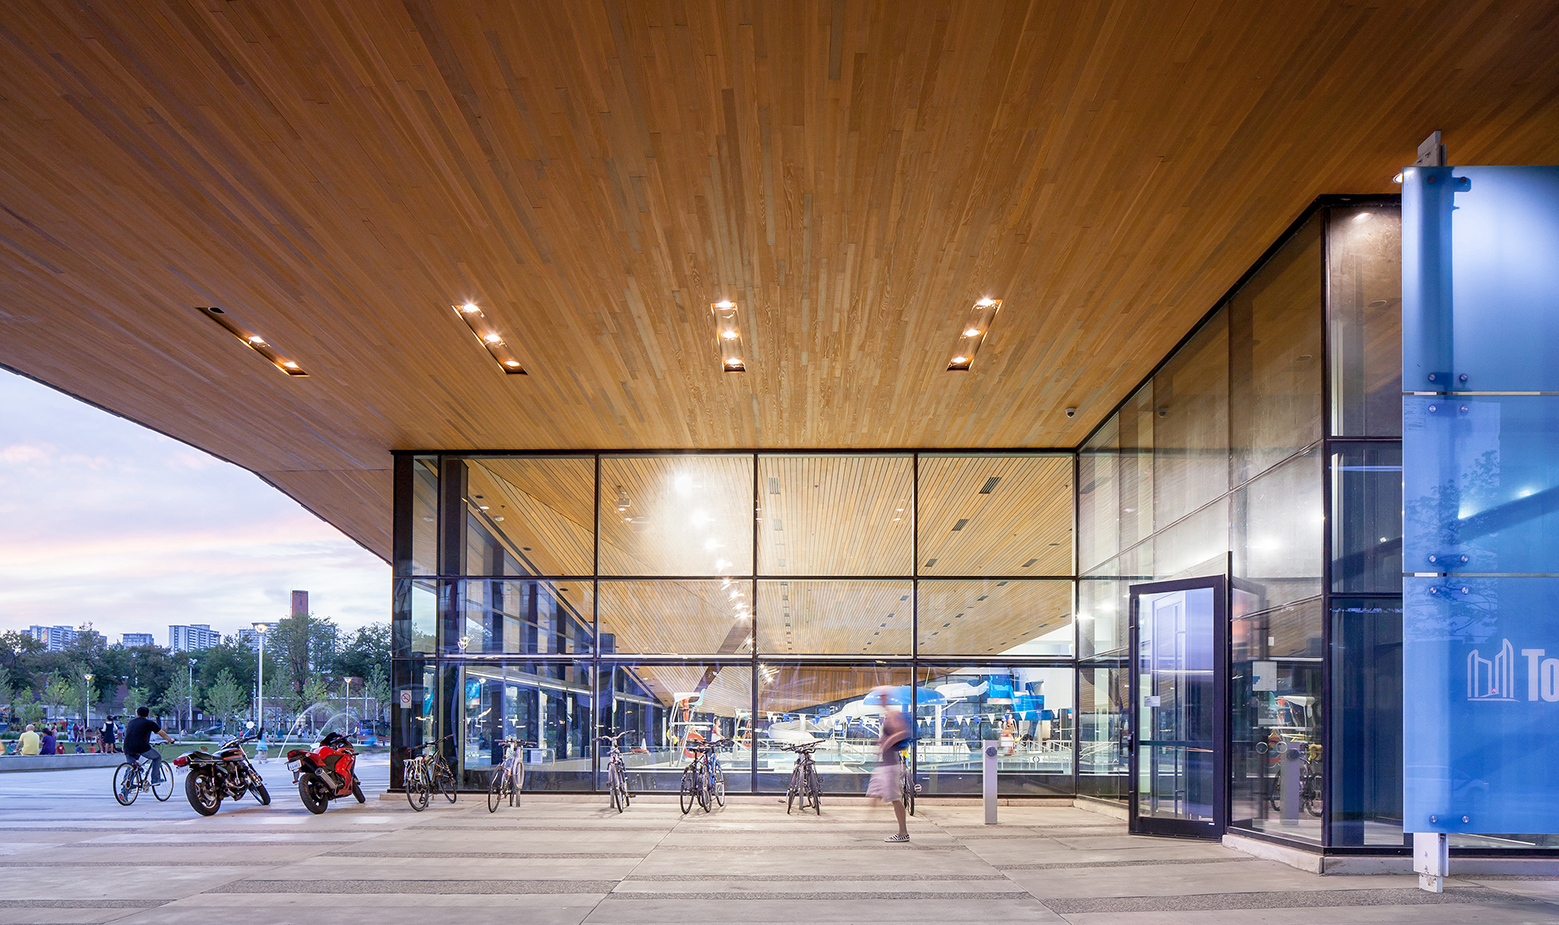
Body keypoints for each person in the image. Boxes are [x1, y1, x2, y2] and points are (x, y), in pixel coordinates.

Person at [866, 687, 912, 843]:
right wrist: (881, 741)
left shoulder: (893, 714)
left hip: (891, 764)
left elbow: (903, 733)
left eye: (882, 697)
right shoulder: (888, 715)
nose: (880, 699)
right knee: (875, 791)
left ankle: (903, 833)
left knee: (895, 798)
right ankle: (864, 826)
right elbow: (890, 733)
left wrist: (888, 742)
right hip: (885, 764)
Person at [123, 707, 174, 785]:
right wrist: (169, 739)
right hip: (141, 746)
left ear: (137, 714)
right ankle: (155, 779)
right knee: (157, 757)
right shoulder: (149, 723)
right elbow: (161, 733)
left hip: (127, 747)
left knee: (131, 767)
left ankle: (124, 790)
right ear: (147, 715)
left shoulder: (131, 722)